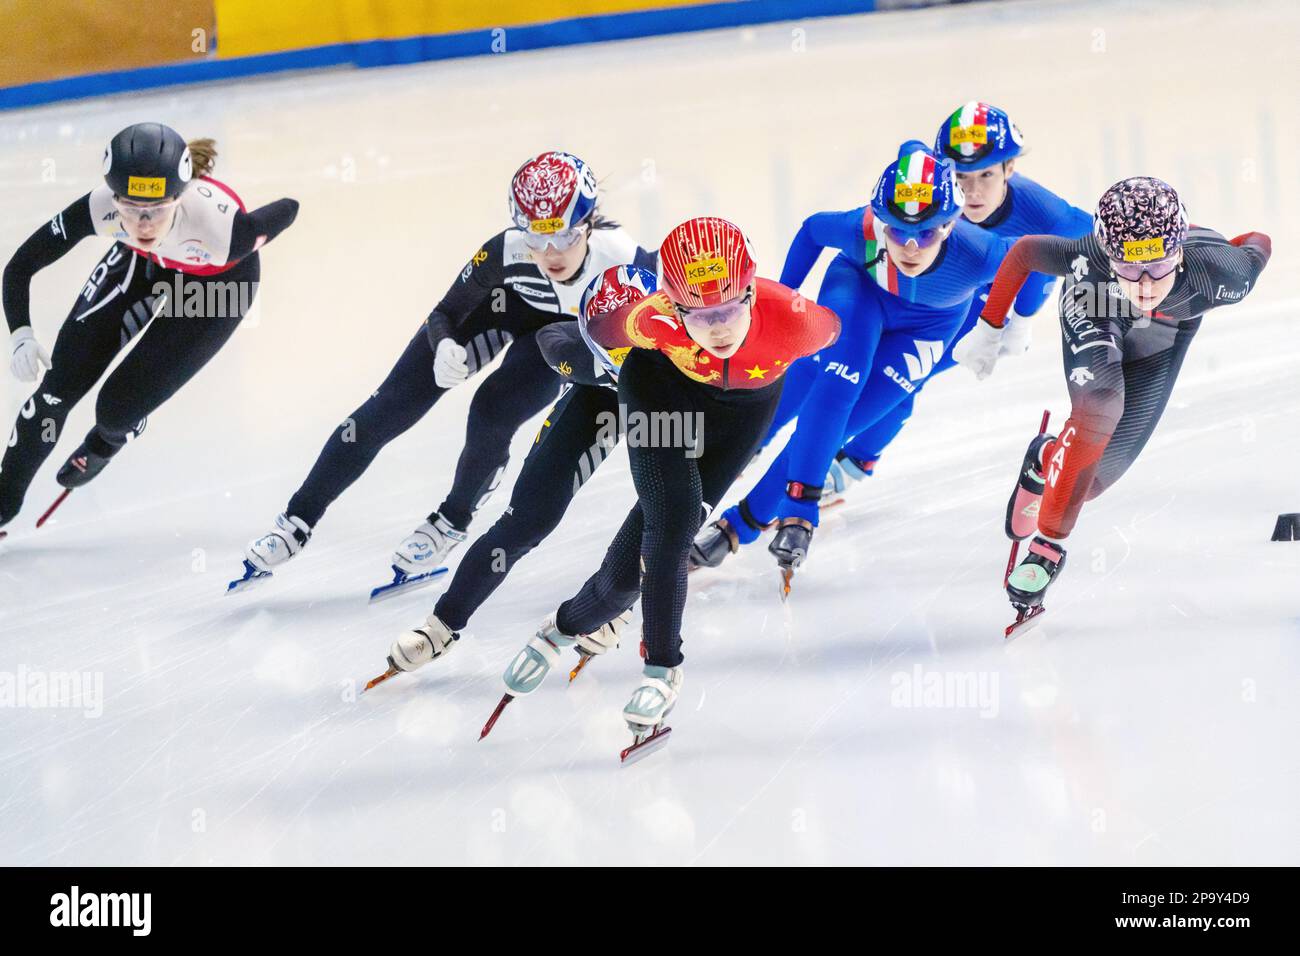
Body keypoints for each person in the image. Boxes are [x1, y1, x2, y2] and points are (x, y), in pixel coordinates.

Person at [390, 217, 840, 751]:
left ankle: (577, 625)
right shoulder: (600, 343)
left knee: (637, 565)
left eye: (726, 311)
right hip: (619, 398)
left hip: (707, 408)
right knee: (537, 517)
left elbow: (833, 346)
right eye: (700, 314)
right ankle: (447, 623)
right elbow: (541, 355)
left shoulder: (792, 322)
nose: (717, 327)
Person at [237, 151, 654, 588]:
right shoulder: (505, 250)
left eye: (565, 236)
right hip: (501, 312)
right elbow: (446, 311)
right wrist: (446, 344)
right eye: (534, 235)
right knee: (391, 404)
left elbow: (668, 341)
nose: (549, 253)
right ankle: (297, 518)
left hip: (556, 337)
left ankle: (451, 521)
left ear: (588, 223)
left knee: (493, 410)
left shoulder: (623, 262)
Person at [691, 142, 1014, 587]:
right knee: (836, 382)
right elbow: (811, 231)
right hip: (860, 289)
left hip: (927, 327)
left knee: (851, 421)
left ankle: (740, 524)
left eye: (930, 233)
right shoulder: (860, 229)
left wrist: (1010, 322)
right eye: (897, 232)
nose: (912, 247)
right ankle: (792, 503)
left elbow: (1050, 257)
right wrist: (780, 300)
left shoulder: (983, 253)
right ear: (880, 220)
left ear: (953, 223)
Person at [951, 176, 1271, 616]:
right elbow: (1024, 252)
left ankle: (1045, 458)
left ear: (1179, 251)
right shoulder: (1089, 257)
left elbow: (1257, 244)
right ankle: (1046, 549)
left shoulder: (1222, 274)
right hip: (1094, 301)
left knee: (1089, 483)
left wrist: (1221, 247)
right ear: (1107, 253)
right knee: (1100, 405)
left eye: (1156, 266)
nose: (1142, 282)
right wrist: (990, 328)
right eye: (1127, 265)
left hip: (1165, 331)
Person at [363, 265, 657, 692]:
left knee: (666, 504)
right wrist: (600, 372)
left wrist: (621, 597)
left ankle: (622, 602)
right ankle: (442, 624)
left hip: (674, 404)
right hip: (602, 397)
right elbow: (548, 337)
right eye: (614, 354)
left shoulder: (693, 347)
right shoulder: (578, 357)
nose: (628, 365)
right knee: (528, 518)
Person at [0, 122, 298, 536]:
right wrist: (21, 335)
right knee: (53, 393)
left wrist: (253, 233)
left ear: (179, 195)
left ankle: (109, 440)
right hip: (146, 264)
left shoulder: (223, 234)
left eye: (156, 210)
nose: (142, 225)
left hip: (219, 283)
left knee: (116, 410)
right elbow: (20, 267)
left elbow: (289, 207)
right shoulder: (101, 208)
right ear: (114, 197)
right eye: (129, 209)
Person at [826, 102, 1092, 497]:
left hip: (991, 312)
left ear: (1010, 168)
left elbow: (1096, 251)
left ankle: (849, 464)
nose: (971, 191)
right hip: (951, 288)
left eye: (986, 174)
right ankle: (820, 451)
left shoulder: (1051, 215)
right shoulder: (933, 190)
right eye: (961, 175)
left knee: (903, 379)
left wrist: (1020, 321)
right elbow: (909, 150)